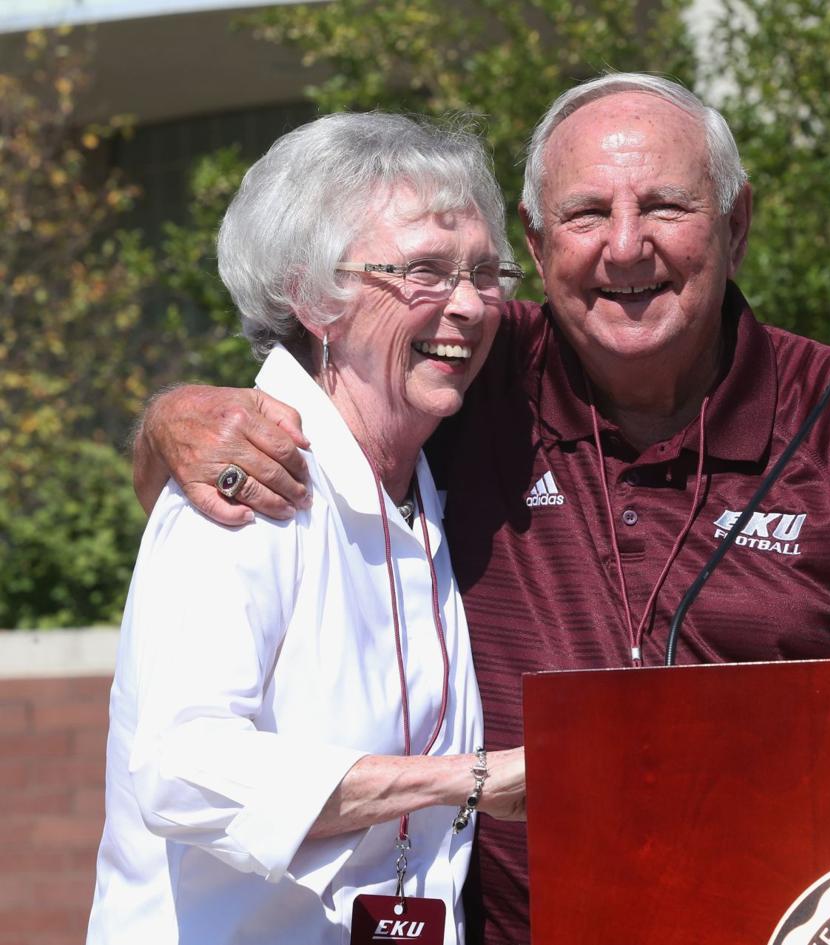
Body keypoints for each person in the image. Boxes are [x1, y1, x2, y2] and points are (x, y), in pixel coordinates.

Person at [131, 75, 830, 945]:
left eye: (665, 205)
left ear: (737, 225)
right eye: (584, 215)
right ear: (537, 240)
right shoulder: (473, 364)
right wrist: (172, 422)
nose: (625, 248)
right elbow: (300, 400)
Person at [87, 112, 528, 945]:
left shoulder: (428, 476)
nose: (468, 305)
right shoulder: (251, 482)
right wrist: (464, 778)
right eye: (426, 272)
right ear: (314, 295)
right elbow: (182, 769)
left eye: (485, 271)